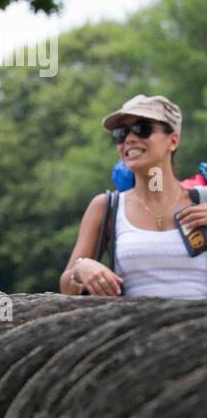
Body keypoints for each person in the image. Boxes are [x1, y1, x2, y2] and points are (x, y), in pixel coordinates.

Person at [60, 94, 207, 299]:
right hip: (137, 329)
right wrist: (81, 269)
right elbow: (67, 286)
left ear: (172, 141)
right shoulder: (106, 207)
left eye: (142, 129)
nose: (129, 139)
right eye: (121, 133)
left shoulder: (204, 200)